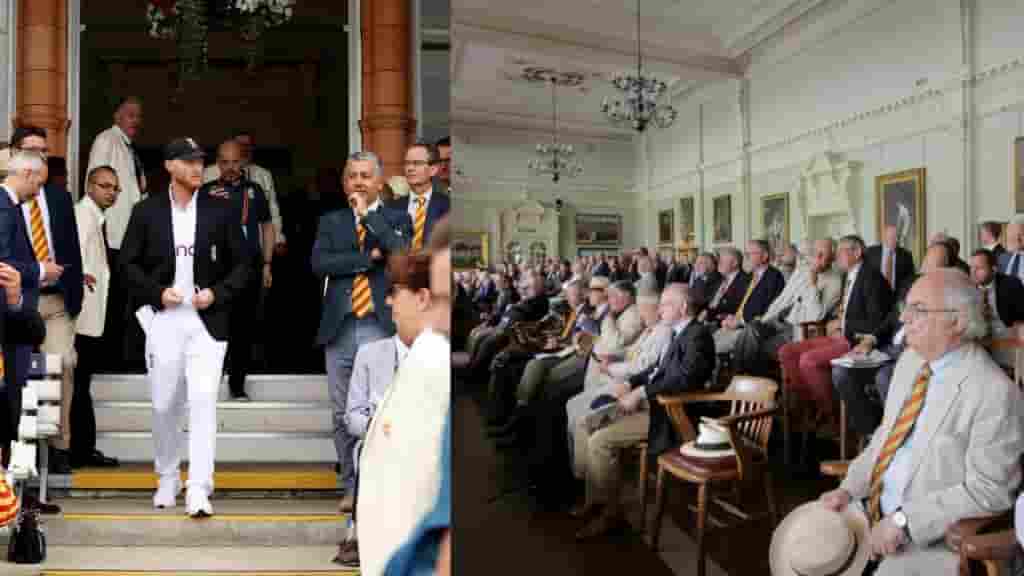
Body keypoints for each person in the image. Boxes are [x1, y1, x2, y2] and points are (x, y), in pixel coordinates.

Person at [819, 269, 1024, 575]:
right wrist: (848, 489)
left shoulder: (994, 393)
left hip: (931, 538)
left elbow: (990, 490)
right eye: (906, 308)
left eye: (919, 310)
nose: (904, 320)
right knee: (808, 550)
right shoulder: (910, 363)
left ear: (956, 321)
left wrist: (905, 520)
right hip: (870, 512)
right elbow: (883, 439)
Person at [119, 137, 248, 517]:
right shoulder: (147, 211)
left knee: (204, 401)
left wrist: (217, 293)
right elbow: (127, 265)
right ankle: (167, 476)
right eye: (188, 162)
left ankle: (199, 487)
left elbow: (245, 264)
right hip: (164, 319)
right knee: (163, 403)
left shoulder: (219, 210)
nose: (197, 168)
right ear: (170, 166)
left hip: (207, 320)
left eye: (200, 161)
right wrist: (157, 292)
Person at [312, 151, 412, 512]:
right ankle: (351, 486)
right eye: (352, 175)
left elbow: (398, 252)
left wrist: (369, 217)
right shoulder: (331, 222)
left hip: (379, 327)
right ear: (344, 183)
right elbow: (319, 263)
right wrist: (364, 260)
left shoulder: (396, 219)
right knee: (342, 413)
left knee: (380, 410)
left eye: (365, 176)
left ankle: (379, 484)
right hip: (339, 328)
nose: (358, 181)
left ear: (378, 182)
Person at [356, 253, 450, 576]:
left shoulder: (433, 361)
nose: (388, 302)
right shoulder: (423, 356)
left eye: (395, 292)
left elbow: (428, 485)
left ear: (422, 297)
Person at [11, 126, 84, 472]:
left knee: (62, 365)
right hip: (19, 300)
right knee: (20, 374)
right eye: (32, 149)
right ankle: (20, 451)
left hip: (56, 302)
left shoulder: (57, 197)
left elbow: (71, 246)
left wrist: (75, 296)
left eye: (44, 150)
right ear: (16, 154)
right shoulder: (8, 197)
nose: (40, 155)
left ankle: (58, 447)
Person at [779, 235, 894, 427]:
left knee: (809, 360)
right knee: (787, 352)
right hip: (838, 335)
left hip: (857, 341)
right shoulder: (849, 275)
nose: (836, 256)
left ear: (857, 252)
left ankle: (830, 415)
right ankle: (811, 406)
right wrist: (838, 322)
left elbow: (877, 322)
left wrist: (843, 323)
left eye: (841, 251)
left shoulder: (872, 278)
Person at [200, 140, 274, 401]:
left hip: (250, 268)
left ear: (243, 162)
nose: (230, 168)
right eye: (225, 162)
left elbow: (267, 226)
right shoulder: (207, 191)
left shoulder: (254, 190)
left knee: (244, 327)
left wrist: (267, 263)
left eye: (235, 162)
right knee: (214, 327)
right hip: (217, 271)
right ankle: (209, 383)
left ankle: (237, 385)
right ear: (218, 163)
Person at [86, 97, 145, 372]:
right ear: (117, 115)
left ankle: (122, 358)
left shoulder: (129, 147)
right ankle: (107, 360)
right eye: (130, 114)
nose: (136, 120)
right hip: (110, 233)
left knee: (124, 298)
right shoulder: (106, 140)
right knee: (111, 300)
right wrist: (101, 225)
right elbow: (96, 183)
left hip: (126, 234)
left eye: (138, 116)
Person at [0, 151, 48, 478]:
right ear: (27, 173)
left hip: (13, 321)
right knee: (9, 402)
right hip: (7, 325)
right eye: (39, 182)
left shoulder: (10, 206)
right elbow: (3, 263)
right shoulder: (4, 207)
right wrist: (40, 270)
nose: (39, 190)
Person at [71, 166, 122, 469]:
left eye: (115, 188)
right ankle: (81, 450)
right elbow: (72, 256)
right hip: (81, 317)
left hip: (91, 316)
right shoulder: (83, 214)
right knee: (79, 385)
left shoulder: (95, 217)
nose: (111, 193)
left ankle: (83, 448)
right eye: (104, 186)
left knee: (82, 384)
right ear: (90, 186)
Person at [203, 132, 285, 255]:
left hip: (254, 244)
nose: (244, 148)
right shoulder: (208, 174)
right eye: (240, 145)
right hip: (219, 248)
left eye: (248, 145)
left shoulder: (264, 175)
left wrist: (278, 238)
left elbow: (272, 210)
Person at [389, 142, 451, 251]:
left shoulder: (449, 207)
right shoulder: (392, 207)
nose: (410, 168)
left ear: (433, 169)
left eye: (417, 163)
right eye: (407, 163)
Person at [970, 248, 1024, 367]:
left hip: (1006, 343)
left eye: (979, 268)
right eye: (971, 268)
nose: (973, 272)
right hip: (976, 346)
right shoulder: (965, 287)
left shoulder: (1011, 284)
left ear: (993, 269)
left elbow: (1021, 320)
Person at [866, 225, 915, 296]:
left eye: (897, 237)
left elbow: (910, 278)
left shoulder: (906, 255)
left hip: (897, 296)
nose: (896, 240)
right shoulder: (870, 252)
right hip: (875, 294)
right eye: (892, 237)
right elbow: (864, 274)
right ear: (884, 237)